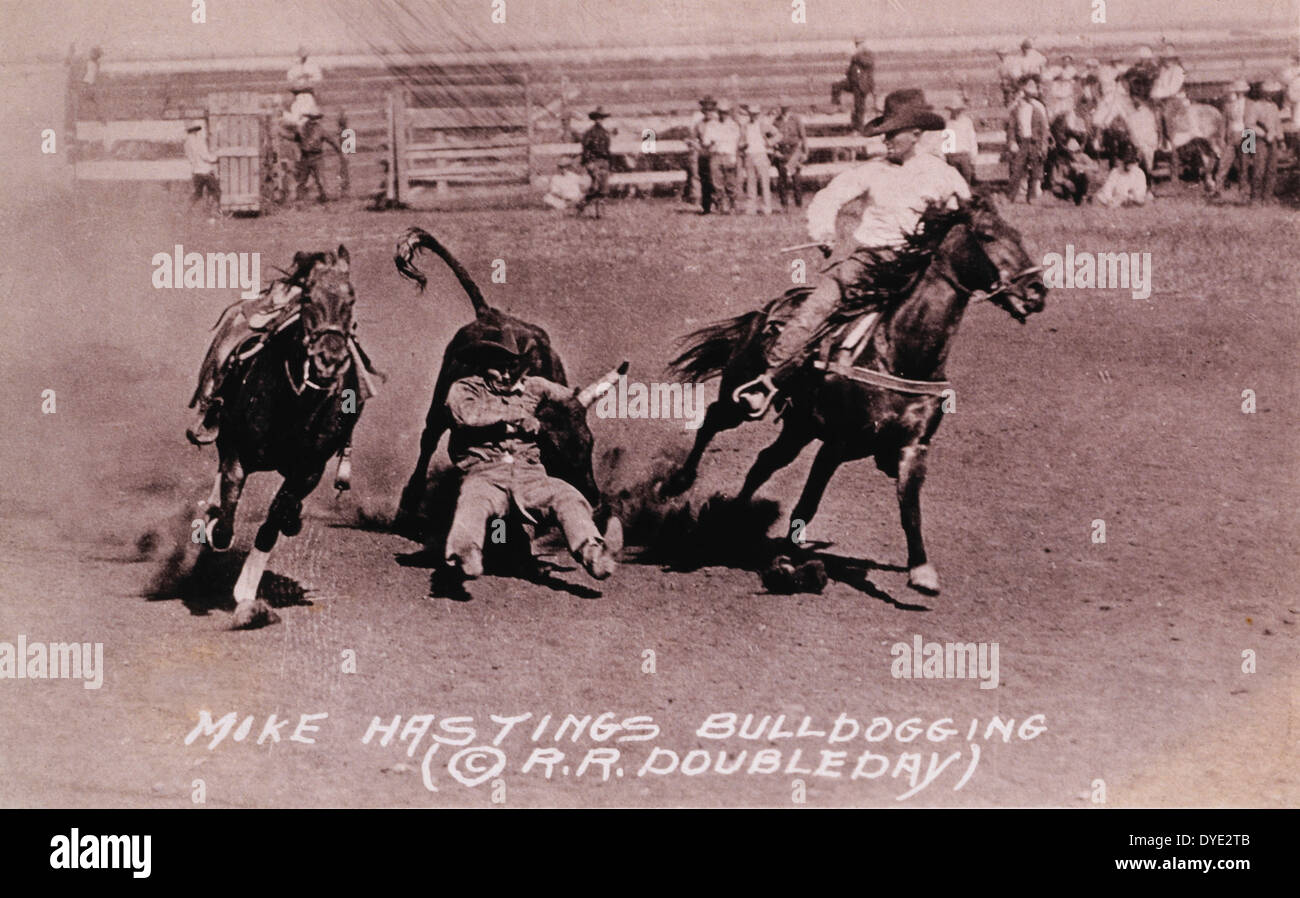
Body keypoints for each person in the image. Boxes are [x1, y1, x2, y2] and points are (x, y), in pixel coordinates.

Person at [731, 90, 970, 418]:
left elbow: (967, 218)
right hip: (867, 262)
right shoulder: (872, 171)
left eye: (892, 133)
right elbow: (830, 197)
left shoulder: (944, 176)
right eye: (883, 133)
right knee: (818, 305)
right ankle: (768, 380)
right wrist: (824, 231)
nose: (885, 140)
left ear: (916, 134)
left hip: (917, 268)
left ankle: (922, 393)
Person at [442, 334, 621, 582]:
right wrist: (516, 416)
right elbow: (469, 416)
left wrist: (609, 380)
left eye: (511, 367)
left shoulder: (535, 386)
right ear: (483, 364)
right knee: (474, 502)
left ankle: (592, 551)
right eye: (498, 367)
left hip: (530, 476)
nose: (505, 375)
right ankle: (465, 551)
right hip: (486, 473)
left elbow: (573, 401)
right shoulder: (466, 388)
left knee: (567, 496)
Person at [1005, 78, 1049, 204]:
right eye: (1027, 94)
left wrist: (1043, 146)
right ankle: (1011, 196)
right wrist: (1012, 141)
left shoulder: (1038, 108)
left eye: (1032, 94)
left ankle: (1031, 197)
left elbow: (1044, 129)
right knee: (1017, 169)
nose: (1029, 96)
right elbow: (1011, 127)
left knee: (1035, 170)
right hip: (1022, 141)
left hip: (1035, 142)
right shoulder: (1017, 107)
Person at [1245, 82, 1284, 203]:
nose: (1270, 95)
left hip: (1273, 140)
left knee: (1272, 169)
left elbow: (1278, 124)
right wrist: (1263, 133)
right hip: (1260, 141)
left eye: (1272, 93)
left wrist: (1281, 139)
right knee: (1259, 169)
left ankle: (1268, 197)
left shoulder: (1274, 107)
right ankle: (1255, 198)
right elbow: (1249, 124)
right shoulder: (1255, 106)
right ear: (1262, 93)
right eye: (1267, 93)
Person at [701, 99, 742, 213]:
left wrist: (733, 157)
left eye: (725, 112)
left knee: (730, 182)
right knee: (717, 182)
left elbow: (735, 142)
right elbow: (706, 141)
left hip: (729, 155)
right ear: (718, 112)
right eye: (721, 112)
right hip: (716, 155)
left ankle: (733, 204)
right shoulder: (712, 125)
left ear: (728, 112)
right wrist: (711, 142)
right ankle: (721, 205)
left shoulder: (733, 125)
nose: (723, 114)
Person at [1213, 80, 1251, 197]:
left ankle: (1243, 190)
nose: (1239, 93)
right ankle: (1217, 189)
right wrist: (1221, 138)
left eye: (1242, 91)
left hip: (1248, 134)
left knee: (1244, 164)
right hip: (1232, 134)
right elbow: (1224, 123)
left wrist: (1251, 140)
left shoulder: (1251, 104)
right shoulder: (1228, 105)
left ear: (1245, 92)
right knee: (1224, 162)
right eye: (1237, 91)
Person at [831, 35, 876, 131]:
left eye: (859, 43)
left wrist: (856, 55)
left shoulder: (868, 53)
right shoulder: (857, 55)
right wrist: (844, 76)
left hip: (862, 84)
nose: (858, 45)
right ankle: (836, 105)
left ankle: (859, 128)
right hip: (853, 82)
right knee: (836, 85)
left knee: (859, 106)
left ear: (864, 43)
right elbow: (851, 69)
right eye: (857, 44)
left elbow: (867, 63)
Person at [292, 111, 339, 203]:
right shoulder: (302, 128)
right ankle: (299, 201)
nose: (313, 121)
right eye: (311, 118)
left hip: (317, 157)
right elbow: (296, 139)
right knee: (301, 181)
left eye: (315, 118)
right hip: (304, 157)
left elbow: (331, 140)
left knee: (320, 180)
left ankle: (324, 199)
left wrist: (339, 150)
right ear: (308, 118)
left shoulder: (320, 129)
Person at [739, 103, 778, 215]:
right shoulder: (745, 126)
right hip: (749, 155)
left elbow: (778, 135)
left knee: (764, 183)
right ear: (749, 114)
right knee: (751, 182)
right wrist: (743, 145)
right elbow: (741, 141)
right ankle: (751, 208)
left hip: (761, 154)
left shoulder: (763, 125)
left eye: (755, 114)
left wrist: (769, 143)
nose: (753, 116)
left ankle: (767, 208)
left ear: (758, 114)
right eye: (751, 114)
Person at [770, 99, 809, 209]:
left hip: (794, 151)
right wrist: (775, 151)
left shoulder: (796, 119)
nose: (784, 109)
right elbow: (772, 137)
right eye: (782, 107)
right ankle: (784, 204)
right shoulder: (776, 121)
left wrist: (805, 152)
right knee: (782, 179)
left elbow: (803, 136)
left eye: (786, 107)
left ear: (790, 107)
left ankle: (798, 203)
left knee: (796, 178)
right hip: (783, 152)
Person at [575, 106, 613, 214]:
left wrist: (610, 164)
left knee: (603, 186)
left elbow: (608, 149)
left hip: (604, 162)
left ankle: (593, 207)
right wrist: (588, 163)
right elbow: (585, 149)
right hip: (593, 161)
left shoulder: (606, 133)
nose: (599, 120)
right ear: (594, 119)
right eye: (597, 118)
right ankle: (585, 203)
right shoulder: (589, 133)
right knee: (595, 185)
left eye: (601, 118)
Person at [184, 121, 220, 215]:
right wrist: (216, 159)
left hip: (196, 172)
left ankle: (184, 211)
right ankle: (211, 212)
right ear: (195, 131)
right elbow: (205, 156)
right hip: (205, 171)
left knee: (197, 194)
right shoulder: (198, 141)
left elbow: (191, 158)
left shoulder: (187, 143)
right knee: (215, 191)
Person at [287, 44, 323, 130]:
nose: (302, 57)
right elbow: (291, 82)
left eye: (304, 55)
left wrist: (307, 81)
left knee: (309, 117)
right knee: (297, 118)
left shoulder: (313, 66)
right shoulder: (294, 67)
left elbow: (317, 81)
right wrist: (300, 81)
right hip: (298, 96)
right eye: (300, 54)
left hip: (309, 96)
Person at [943, 100, 979, 184]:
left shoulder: (967, 122)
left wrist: (973, 157)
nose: (955, 113)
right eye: (953, 111)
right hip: (951, 156)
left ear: (961, 111)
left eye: (957, 111)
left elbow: (972, 140)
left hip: (964, 155)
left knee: (966, 180)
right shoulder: (947, 123)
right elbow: (944, 141)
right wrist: (945, 156)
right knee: (953, 181)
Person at [694, 97, 718, 213]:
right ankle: (706, 207)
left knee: (716, 180)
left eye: (710, 110)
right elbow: (695, 138)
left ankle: (719, 204)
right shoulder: (699, 124)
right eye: (706, 110)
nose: (708, 112)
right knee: (704, 180)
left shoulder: (718, 123)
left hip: (716, 154)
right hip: (703, 154)